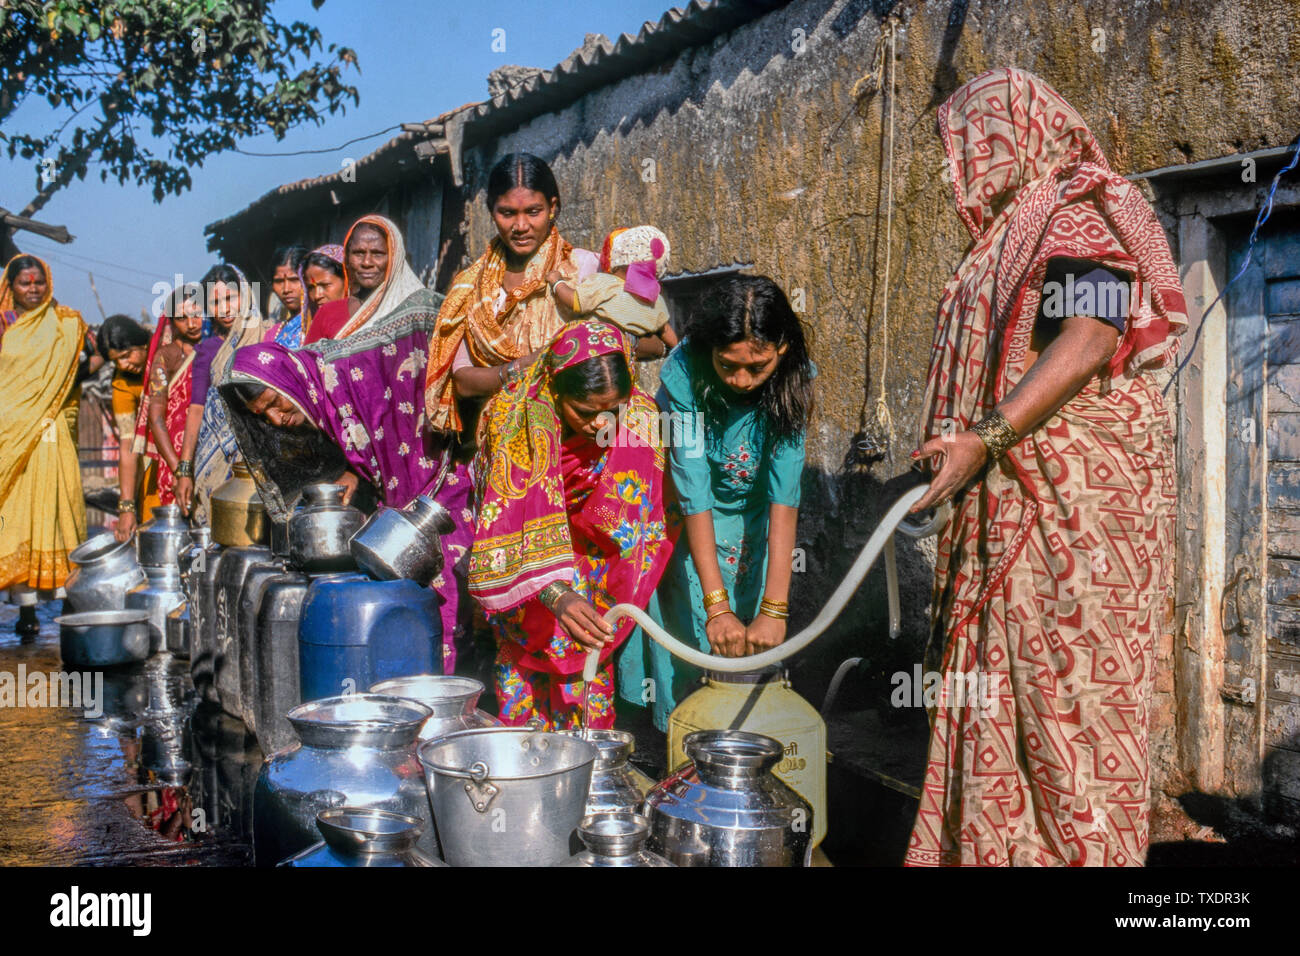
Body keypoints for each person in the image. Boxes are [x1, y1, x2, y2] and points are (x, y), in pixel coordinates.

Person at [904, 68, 1187, 867]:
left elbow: (1091, 335)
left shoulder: (1073, 213)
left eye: (959, 147)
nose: (949, 169)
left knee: (1063, 700)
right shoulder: (1006, 236)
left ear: (1009, 134)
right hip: (1014, 504)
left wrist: (985, 436)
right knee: (1001, 690)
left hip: (1067, 511)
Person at [217, 292, 476, 672]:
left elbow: (385, 408)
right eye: (263, 415)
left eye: (275, 402)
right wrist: (356, 472)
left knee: (446, 600)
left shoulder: (337, 376)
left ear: (284, 378)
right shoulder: (314, 399)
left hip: (436, 485)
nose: (276, 419)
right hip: (396, 502)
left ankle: (451, 702)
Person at [617, 276, 814, 730]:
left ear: (781, 350)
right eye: (728, 366)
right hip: (689, 523)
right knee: (691, 634)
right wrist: (717, 608)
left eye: (756, 367)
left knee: (758, 641)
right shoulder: (684, 375)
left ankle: (746, 741)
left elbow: (785, 494)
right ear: (709, 350)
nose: (741, 380)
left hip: (755, 524)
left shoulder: (794, 376)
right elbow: (693, 489)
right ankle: (683, 747)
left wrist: (774, 608)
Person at [470, 320, 675, 730]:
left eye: (611, 412)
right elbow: (503, 515)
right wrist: (555, 593)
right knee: (522, 693)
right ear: (554, 390)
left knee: (589, 671)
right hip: (526, 573)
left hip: (599, 569)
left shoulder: (639, 417)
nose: (601, 425)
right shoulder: (513, 420)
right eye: (585, 412)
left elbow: (645, 513)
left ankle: (585, 775)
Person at [424, 152, 600, 436]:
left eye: (533, 211)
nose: (520, 226)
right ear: (491, 209)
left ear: (552, 207)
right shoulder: (471, 286)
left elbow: (645, 343)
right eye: (507, 213)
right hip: (499, 446)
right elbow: (463, 381)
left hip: (578, 447)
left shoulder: (585, 269)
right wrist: (526, 366)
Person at [0, 255, 89, 635]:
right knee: (18, 518)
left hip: (52, 432)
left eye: (38, 283)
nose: (33, 289)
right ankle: (27, 612)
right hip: (11, 431)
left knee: (58, 508)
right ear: (11, 287)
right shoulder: (3, 326)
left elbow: (90, 364)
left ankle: (72, 600)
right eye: (24, 283)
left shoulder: (67, 323)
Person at [175, 265, 270, 524]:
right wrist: (184, 469)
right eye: (215, 302)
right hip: (216, 463)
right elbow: (196, 408)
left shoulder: (269, 336)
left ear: (245, 294)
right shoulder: (209, 350)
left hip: (265, 461)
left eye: (230, 298)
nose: (225, 309)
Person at [548, 225, 679, 358]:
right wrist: (677, 352)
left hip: (593, 349)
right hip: (625, 360)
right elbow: (666, 331)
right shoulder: (657, 301)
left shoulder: (604, 283)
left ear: (618, 260)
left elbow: (574, 301)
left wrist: (557, 282)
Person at [301, 216, 423, 344]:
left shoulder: (414, 309)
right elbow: (309, 361)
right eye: (358, 253)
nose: (366, 262)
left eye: (378, 253)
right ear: (347, 259)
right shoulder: (328, 314)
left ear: (395, 258)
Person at [141, 288, 204, 511]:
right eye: (182, 318)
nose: (192, 323)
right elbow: (156, 417)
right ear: (171, 321)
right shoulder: (165, 358)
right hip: (175, 457)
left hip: (210, 450)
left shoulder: (215, 350)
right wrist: (177, 468)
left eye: (197, 314)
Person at [96, 315, 159, 539]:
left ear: (142, 343)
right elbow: (128, 443)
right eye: (116, 361)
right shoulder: (122, 381)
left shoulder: (168, 355)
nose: (123, 365)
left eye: (125, 355)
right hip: (154, 464)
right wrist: (126, 508)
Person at [299, 244, 346, 340]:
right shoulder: (311, 330)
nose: (317, 295)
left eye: (325, 285)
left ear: (346, 280)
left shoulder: (365, 319)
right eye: (311, 287)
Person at [267, 245, 308, 348]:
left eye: (294, 280)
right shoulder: (273, 334)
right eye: (279, 281)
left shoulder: (318, 325)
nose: (286, 289)